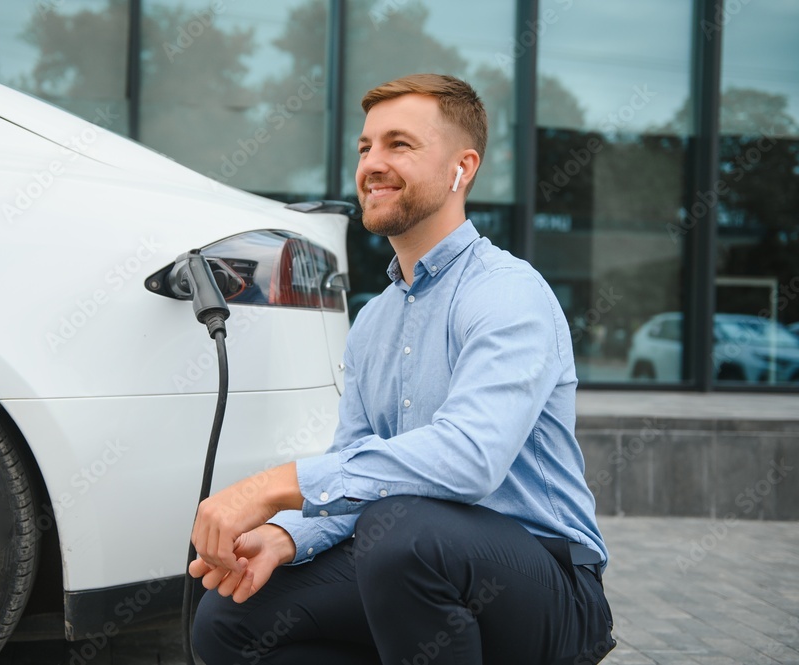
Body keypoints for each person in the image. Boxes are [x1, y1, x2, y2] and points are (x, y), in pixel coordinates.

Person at [188, 73, 616, 664]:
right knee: (229, 619)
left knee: (401, 531)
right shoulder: (373, 322)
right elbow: (358, 471)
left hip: (548, 589)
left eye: (399, 144)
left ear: (461, 169)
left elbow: (468, 459)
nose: (372, 164)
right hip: (417, 573)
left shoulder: (509, 294)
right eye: (366, 147)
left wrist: (272, 486)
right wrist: (288, 534)